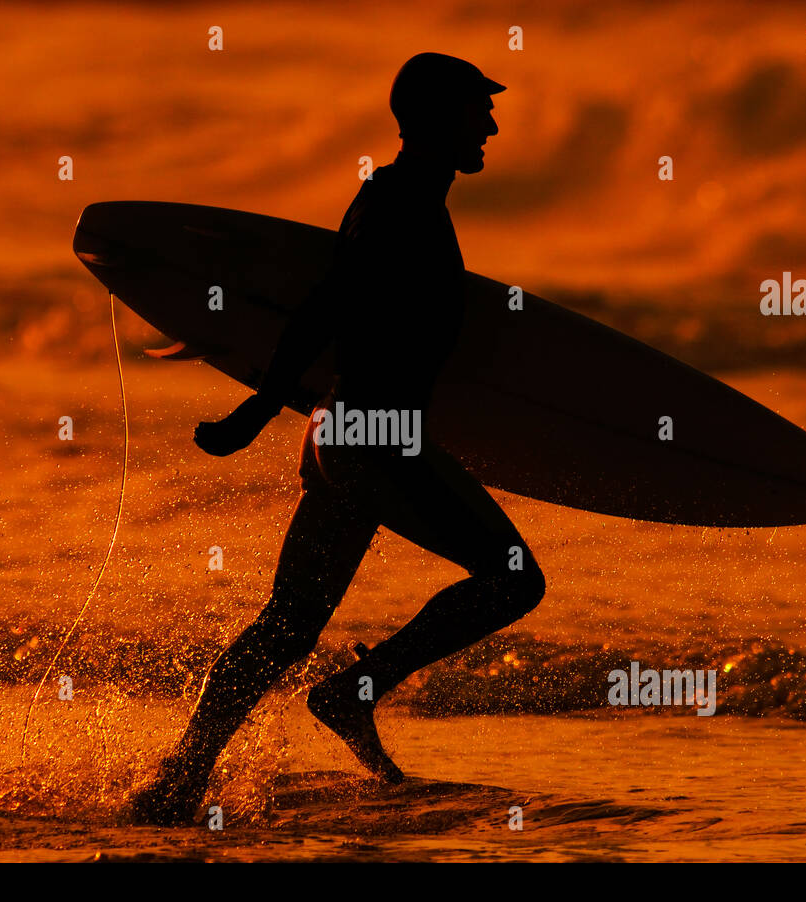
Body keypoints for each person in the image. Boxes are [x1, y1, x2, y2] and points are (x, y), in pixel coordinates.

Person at [132, 52, 545, 825]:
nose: (490, 121)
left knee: (285, 626)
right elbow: (328, 305)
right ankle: (354, 691)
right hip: (374, 441)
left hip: (341, 435)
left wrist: (279, 406)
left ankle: (178, 777)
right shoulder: (403, 204)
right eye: (476, 108)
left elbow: (348, 315)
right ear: (438, 117)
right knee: (515, 578)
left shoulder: (400, 198)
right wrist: (256, 410)